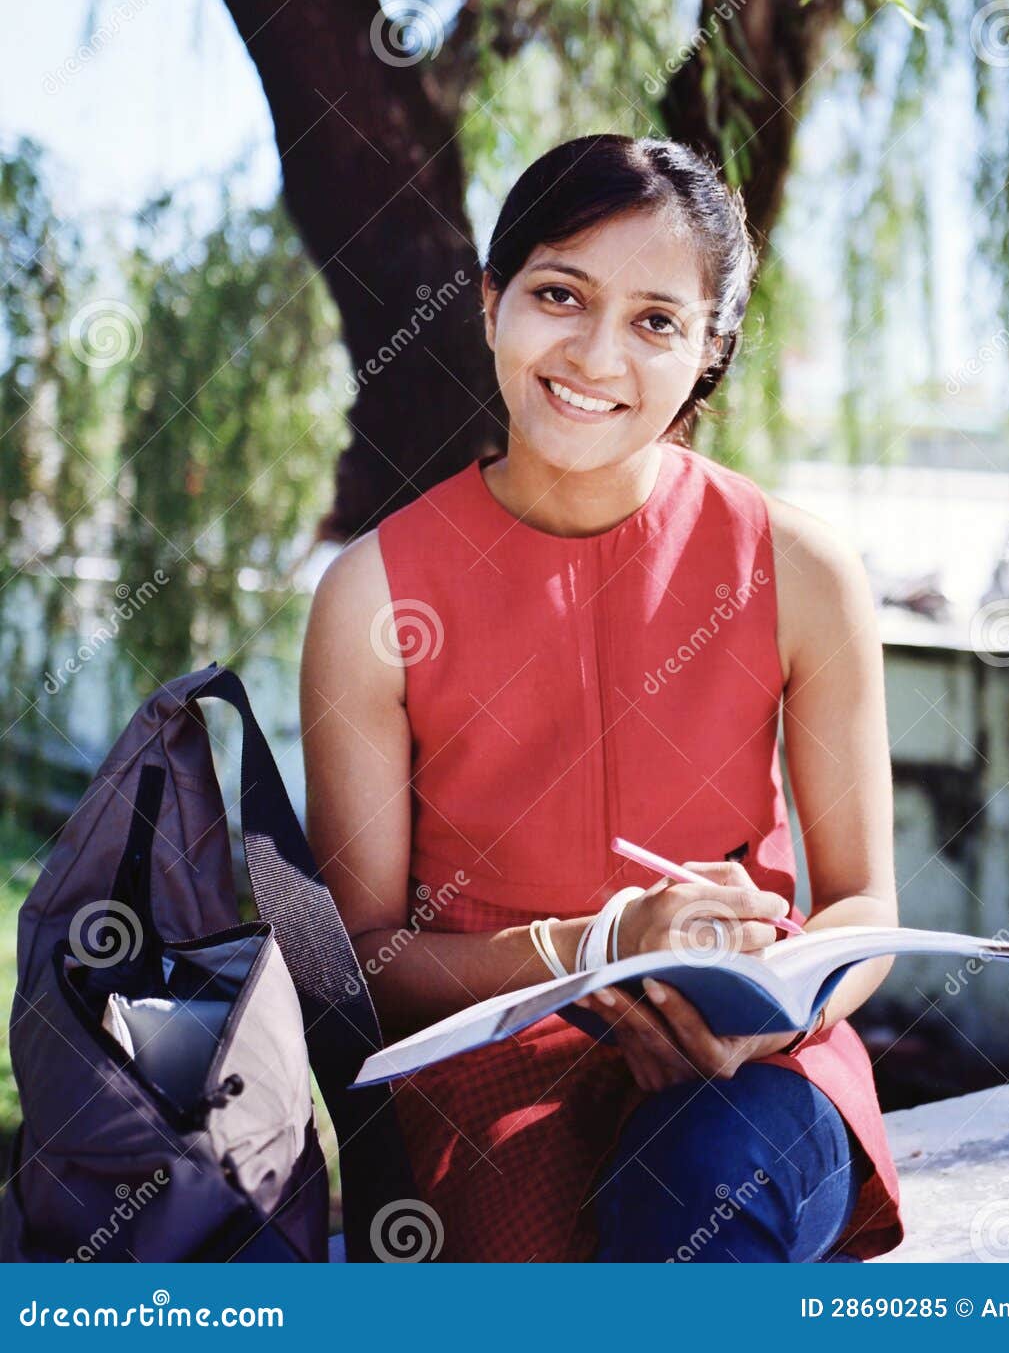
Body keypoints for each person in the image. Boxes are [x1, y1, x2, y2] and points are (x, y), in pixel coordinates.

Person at [300, 134, 903, 1262]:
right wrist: (598, 944)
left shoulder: (804, 572)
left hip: (756, 1077)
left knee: (704, 1183)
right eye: (560, 294)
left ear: (710, 350)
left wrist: (778, 1013)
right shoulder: (371, 594)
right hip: (482, 1081)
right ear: (492, 302)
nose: (595, 353)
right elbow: (365, 965)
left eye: (656, 320)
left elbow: (865, 907)